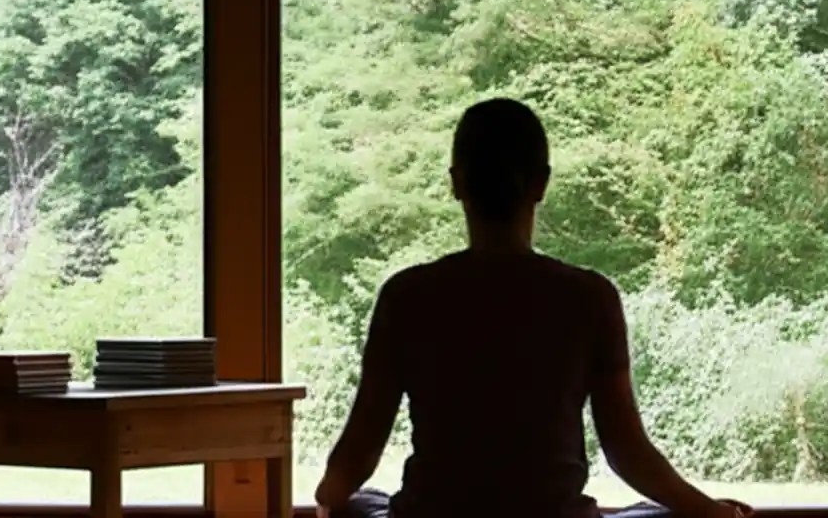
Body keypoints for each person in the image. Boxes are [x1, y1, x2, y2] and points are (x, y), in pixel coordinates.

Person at [314, 98, 753, 518]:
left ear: (456, 182)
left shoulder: (406, 296)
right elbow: (626, 452)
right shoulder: (590, 298)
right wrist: (709, 511)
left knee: (360, 504)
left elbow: (359, 452)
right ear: (541, 183)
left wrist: (328, 496)